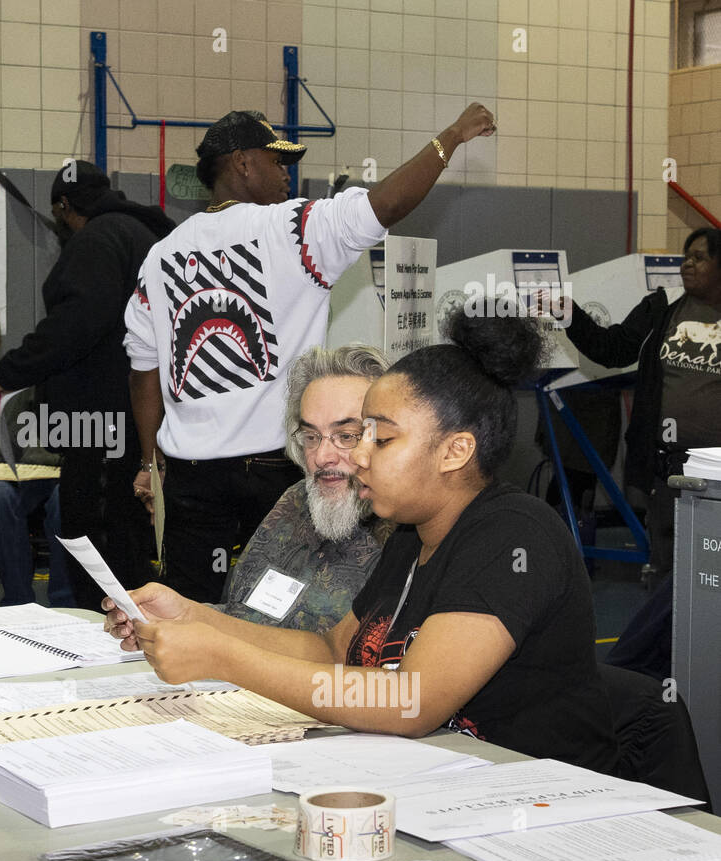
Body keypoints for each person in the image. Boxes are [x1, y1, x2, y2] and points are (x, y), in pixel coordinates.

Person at [106, 306, 619, 773]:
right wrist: (198, 617)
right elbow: (332, 650)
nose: (359, 456)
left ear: (456, 450)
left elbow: (409, 701)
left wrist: (222, 657)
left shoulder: (512, 536)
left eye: (382, 438)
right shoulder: (412, 535)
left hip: (529, 804)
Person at [126, 104, 497, 603]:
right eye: (276, 161)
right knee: (287, 612)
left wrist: (152, 463)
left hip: (192, 477)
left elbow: (144, 371)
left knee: (191, 614)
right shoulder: (295, 228)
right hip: (279, 476)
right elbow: (384, 204)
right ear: (241, 163)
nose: (286, 173)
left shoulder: (159, 257)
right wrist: (449, 138)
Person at [0, 161, 173, 609]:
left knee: (99, 548)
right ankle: (134, 639)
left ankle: (104, 644)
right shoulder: (148, 236)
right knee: (130, 540)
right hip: (144, 415)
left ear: (65, 207)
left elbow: (75, 324)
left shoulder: (96, 241)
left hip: (102, 421)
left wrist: (6, 373)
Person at [558, 227, 721, 580]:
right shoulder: (662, 308)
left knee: (710, 568)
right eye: (686, 257)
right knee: (667, 564)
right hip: (667, 464)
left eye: (699, 257)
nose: (687, 265)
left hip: (717, 468)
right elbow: (612, 348)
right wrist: (569, 314)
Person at [216, 345, 394, 633]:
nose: (322, 456)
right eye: (311, 436)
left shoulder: (410, 530)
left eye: (346, 436)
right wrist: (176, 616)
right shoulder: (297, 501)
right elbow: (239, 613)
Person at [0, 387, 76, 607]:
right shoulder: (15, 398)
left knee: (64, 501)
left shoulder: (73, 389)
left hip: (62, 476)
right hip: (21, 479)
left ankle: (64, 599)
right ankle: (17, 599)